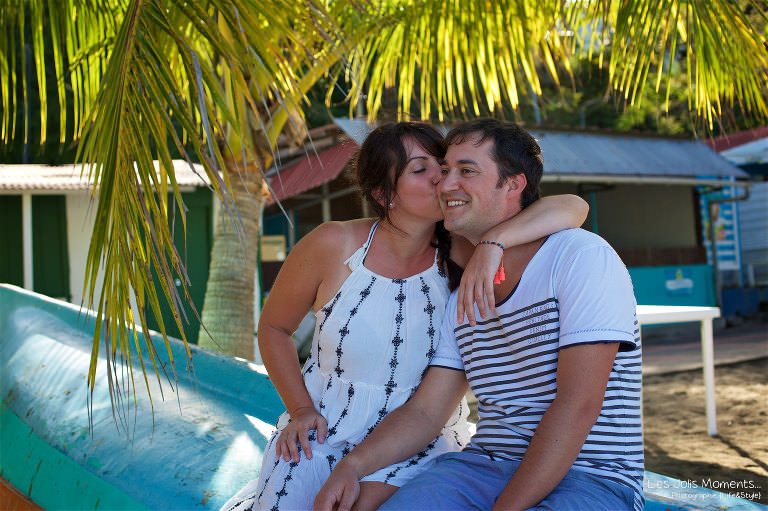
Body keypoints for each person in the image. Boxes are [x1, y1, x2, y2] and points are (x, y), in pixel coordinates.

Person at [220, 121, 589, 511]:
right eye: (421, 170)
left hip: (419, 441)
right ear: (383, 193)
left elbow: (573, 207)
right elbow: (275, 328)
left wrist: (494, 243)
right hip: (322, 430)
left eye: (443, 168)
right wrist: (300, 410)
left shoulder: (465, 253)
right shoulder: (333, 244)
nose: (442, 181)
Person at [314, 119, 644, 511]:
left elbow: (578, 404)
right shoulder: (464, 290)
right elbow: (425, 410)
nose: (446, 182)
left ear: (513, 185)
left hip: (590, 474)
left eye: (466, 170)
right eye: (445, 169)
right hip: (482, 466)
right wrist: (353, 466)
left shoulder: (579, 256)